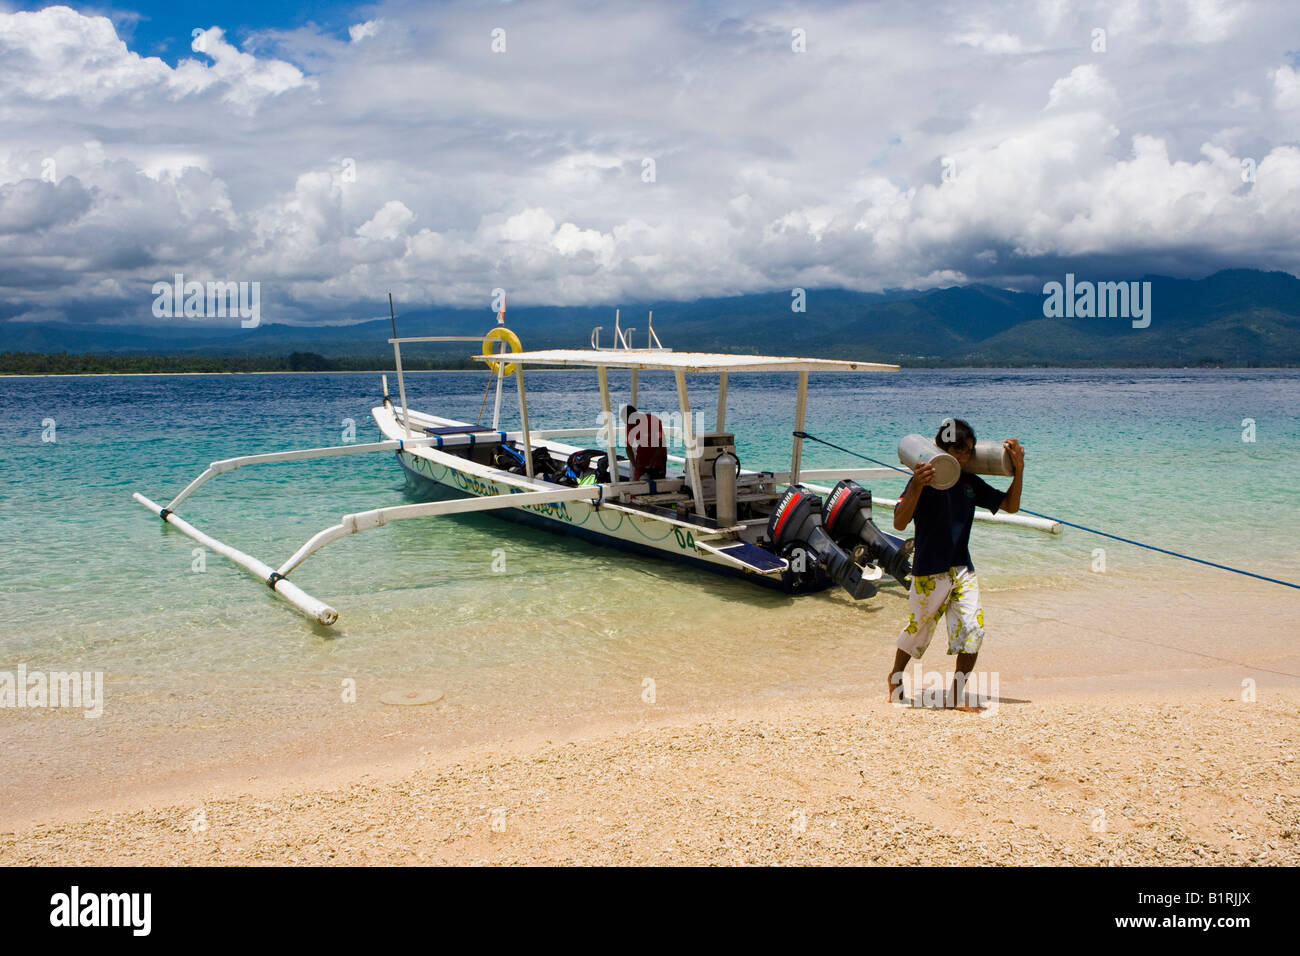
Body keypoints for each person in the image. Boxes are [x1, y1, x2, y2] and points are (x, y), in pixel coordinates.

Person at [886, 419, 1024, 711]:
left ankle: (955, 696)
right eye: (957, 452)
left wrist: (1018, 469)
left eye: (968, 452)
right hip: (928, 570)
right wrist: (918, 487)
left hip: (962, 568)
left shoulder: (968, 482)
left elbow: (1010, 506)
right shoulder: (920, 481)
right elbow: (899, 523)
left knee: (973, 630)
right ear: (941, 449)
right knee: (918, 632)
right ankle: (895, 679)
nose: (962, 458)